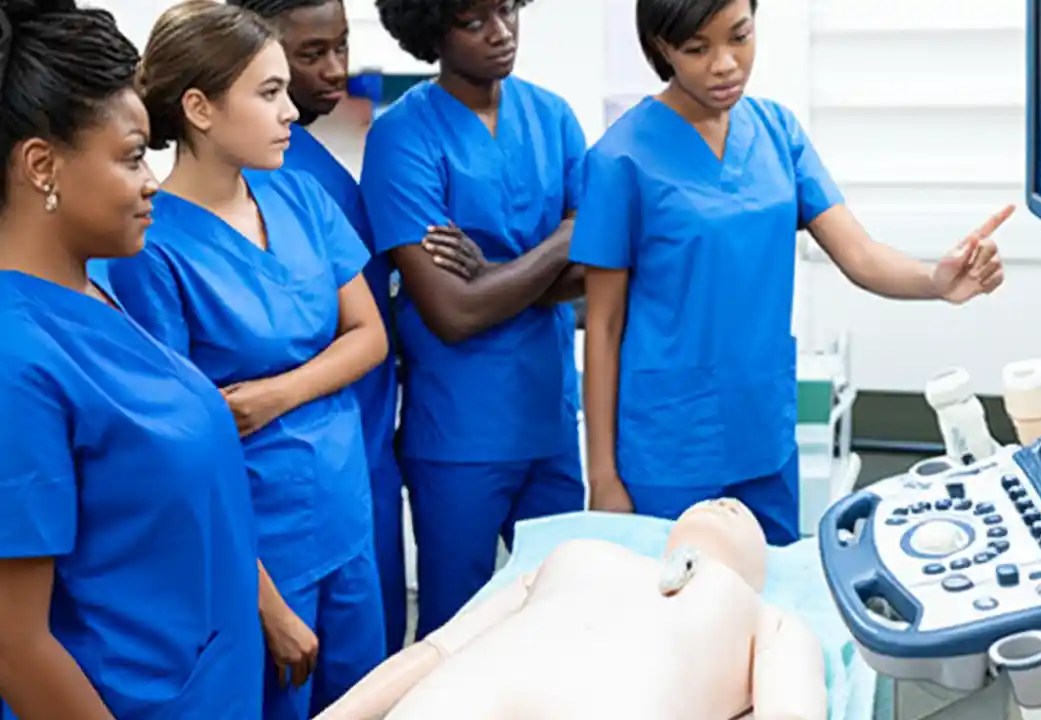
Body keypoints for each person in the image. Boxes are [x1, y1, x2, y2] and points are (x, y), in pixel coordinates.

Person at [571, 0, 1014, 547]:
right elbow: (605, 326)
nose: (726, 64)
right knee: (676, 617)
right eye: (697, 49)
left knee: (773, 609)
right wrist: (604, 477)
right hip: (667, 450)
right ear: (662, 48)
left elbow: (859, 254)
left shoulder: (777, 132)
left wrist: (935, 283)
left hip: (761, 435)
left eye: (740, 37)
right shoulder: (620, 158)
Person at [107, 1, 388, 716]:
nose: (291, 111)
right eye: (268, 94)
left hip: (344, 517)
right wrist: (266, 604)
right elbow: (184, 452)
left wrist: (276, 396)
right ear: (199, 107)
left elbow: (370, 336)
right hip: (259, 550)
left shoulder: (298, 195)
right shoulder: (152, 248)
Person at [0, 1, 262, 717]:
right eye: (131, 156)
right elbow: (13, 646)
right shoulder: (16, 361)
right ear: (41, 165)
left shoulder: (97, 293)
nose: (152, 181)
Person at [363, 0, 587, 639]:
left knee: (560, 625)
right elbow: (452, 312)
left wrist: (488, 272)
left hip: (549, 422)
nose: (502, 33)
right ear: (432, 31)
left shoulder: (554, 118)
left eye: (508, 9)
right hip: (457, 437)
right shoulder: (402, 138)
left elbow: (596, 280)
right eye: (474, 21)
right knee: (455, 635)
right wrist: (559, 243)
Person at [227, 0, 421, 659]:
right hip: (283, 485)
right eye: (309, 56)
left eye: (341, 47)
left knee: (370, 662)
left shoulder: (309, 179)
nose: (335, 70)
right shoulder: (248, 186)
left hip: (354, 451)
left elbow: (368, 331)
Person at [315, 498, 825, 720]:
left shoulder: (766, 616)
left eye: (742, 514)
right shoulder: (579, 552)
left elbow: (788, 715)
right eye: (715, 500)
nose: (725, 502)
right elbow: (434, 650)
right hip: (459, 696)